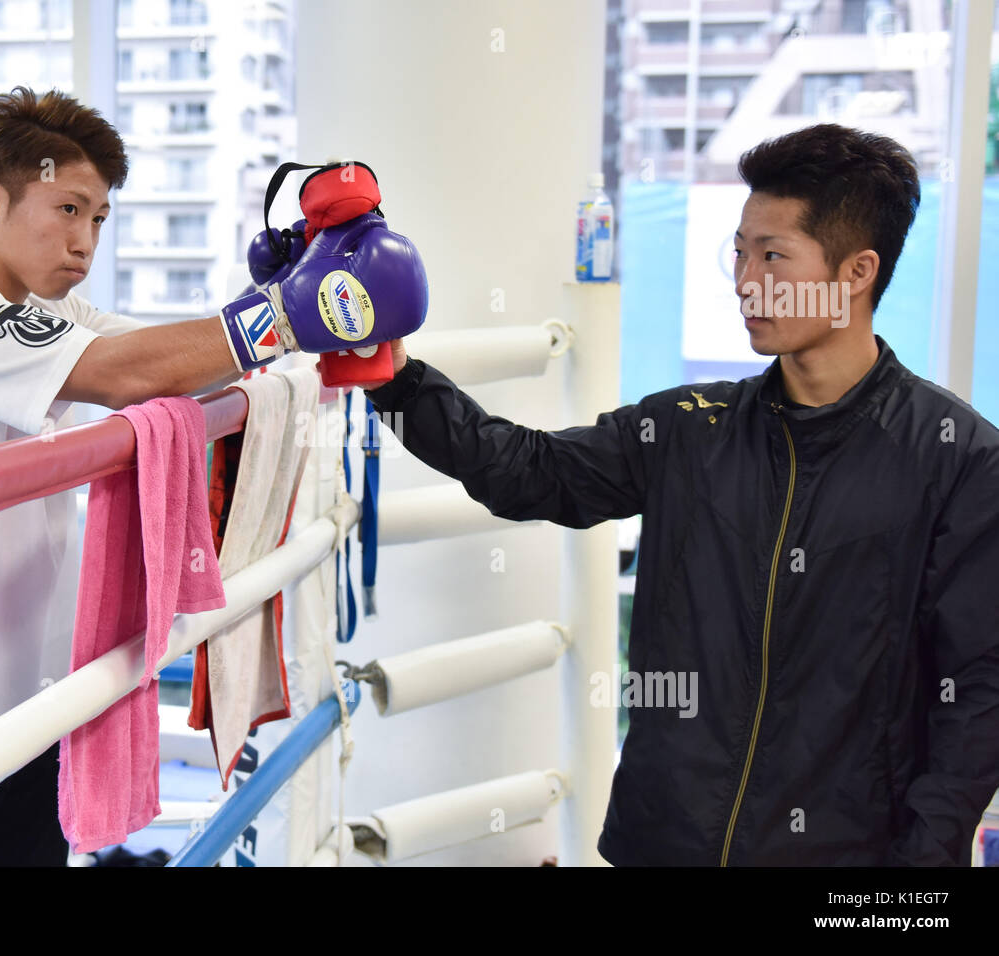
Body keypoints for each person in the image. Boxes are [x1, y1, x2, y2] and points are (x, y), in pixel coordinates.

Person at [366, 123, 999, 866]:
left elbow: (979, 689)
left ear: (856, 272)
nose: (742, 280)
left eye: (772, 256)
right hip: (661, 843)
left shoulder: (956, 458)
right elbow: (525, 470)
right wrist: (392, 377)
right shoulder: (688, 428)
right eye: (738, 250)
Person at [0, 86, 425, 866]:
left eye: (100, 219)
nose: (86, 239)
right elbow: (120, 375)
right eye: (68, 208)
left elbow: (173, 369)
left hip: (25, 722)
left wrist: (268, 303)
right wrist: (285, 312)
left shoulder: (56, 317)